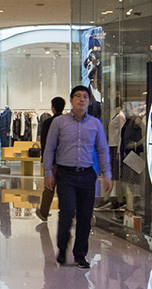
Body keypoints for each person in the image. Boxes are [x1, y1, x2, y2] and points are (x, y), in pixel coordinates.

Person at [43, 85, 111, 267]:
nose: (82, 100)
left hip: (87, 175)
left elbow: (102, 150)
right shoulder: (59, 123)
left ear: (89, 101)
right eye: (78, 96)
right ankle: (62, 247)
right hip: (65, 174)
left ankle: (80, 254)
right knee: (67, 212)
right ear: (71, 100)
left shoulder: (95, 124)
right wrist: (48, 173)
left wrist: (107, 174)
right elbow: (49, 149)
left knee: (85, 216)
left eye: (85, 97)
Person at [35, 95, 64, 219]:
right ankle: (68, 213)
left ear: (52, 108)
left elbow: (45, 142)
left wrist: (45, 159)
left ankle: (44, 212)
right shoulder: (68, 121)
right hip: (65, 161)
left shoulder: (48, 123)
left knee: (49, 187)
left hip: (52, 160)